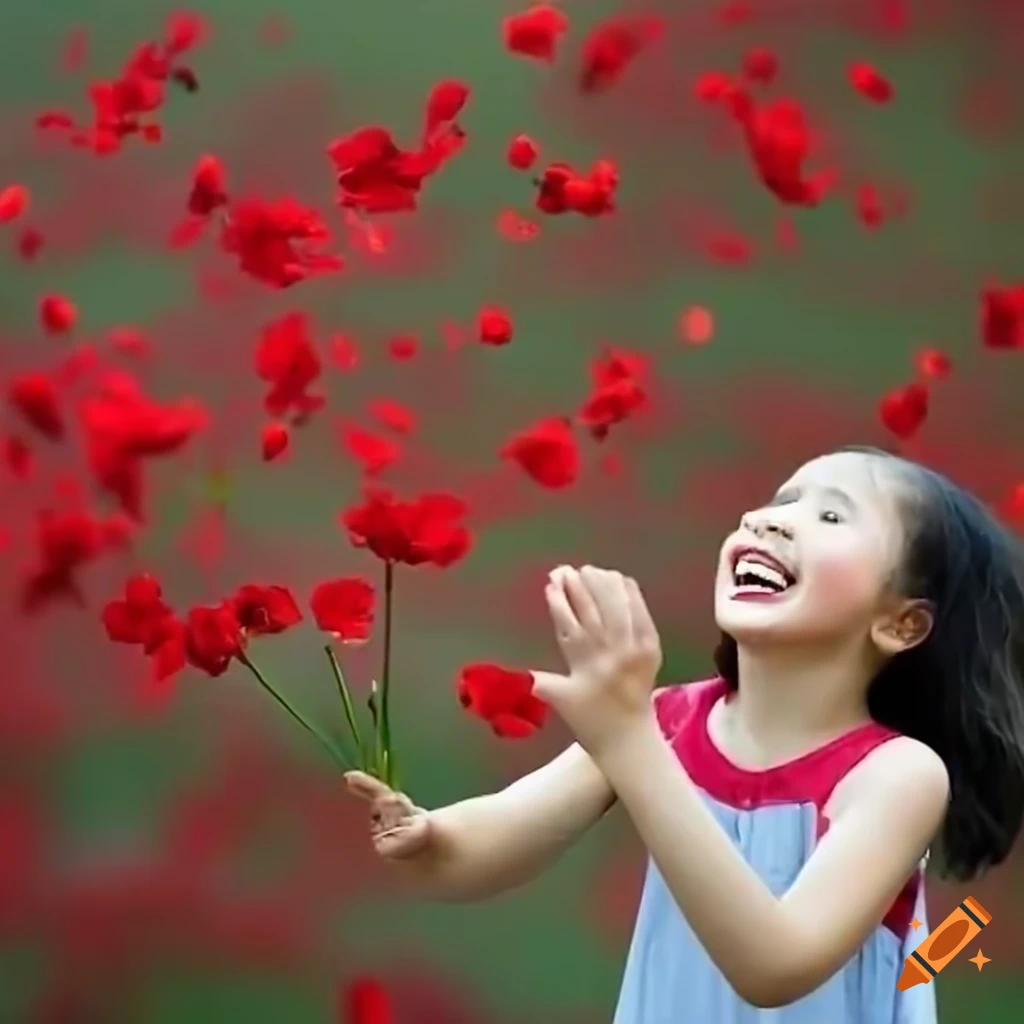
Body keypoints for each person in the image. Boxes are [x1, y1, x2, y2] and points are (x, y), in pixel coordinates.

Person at [344, 447, 1024, 1022]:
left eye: (831, 516)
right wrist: (428, 839)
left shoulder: (896, 776)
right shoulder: (664, 724)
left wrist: (628, 742)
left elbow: (776, 965)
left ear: (902, 624)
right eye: (781, 501)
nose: (769, 520)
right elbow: (499, 836)